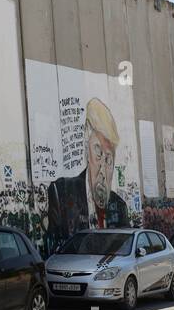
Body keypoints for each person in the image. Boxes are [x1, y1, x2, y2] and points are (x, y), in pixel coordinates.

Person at [46, 97, 129, 249]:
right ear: (86, 144)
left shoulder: (119, 206)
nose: (103, 170)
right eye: (98, 152)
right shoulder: (61, 192)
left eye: (109, 159)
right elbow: (54, 249)